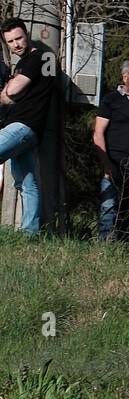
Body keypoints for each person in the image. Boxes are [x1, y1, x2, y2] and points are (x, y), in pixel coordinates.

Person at [0, 18, 57, 237]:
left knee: (28, 183)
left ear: (27, 34)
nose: (15, 44)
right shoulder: (32, 61)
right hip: (30, 131)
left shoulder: (37, 57)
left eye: (19, 38)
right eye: (11, 41)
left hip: (23, 126)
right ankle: (30, 234)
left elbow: (13, 91)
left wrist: (6, 93)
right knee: (27, 182)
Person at [93, 58, 129, 240]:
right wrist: (106, 164)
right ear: (124, 76)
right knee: (108, 205)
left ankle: (127, 244)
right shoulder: (111, 100)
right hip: (114, 163)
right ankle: (104, 245)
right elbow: (98, 132)